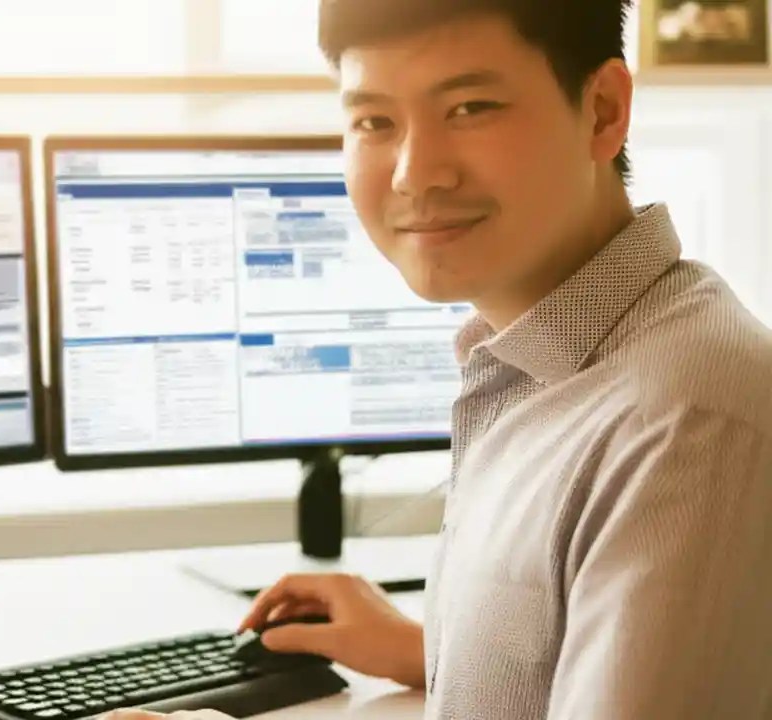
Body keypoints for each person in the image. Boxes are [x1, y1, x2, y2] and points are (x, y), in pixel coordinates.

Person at [107, 0, 772, 718]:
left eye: (469, 107)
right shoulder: (539, 360)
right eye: (374, 122)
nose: (414, 175)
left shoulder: (685, 425)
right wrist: (432, 647)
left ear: (604, 111)